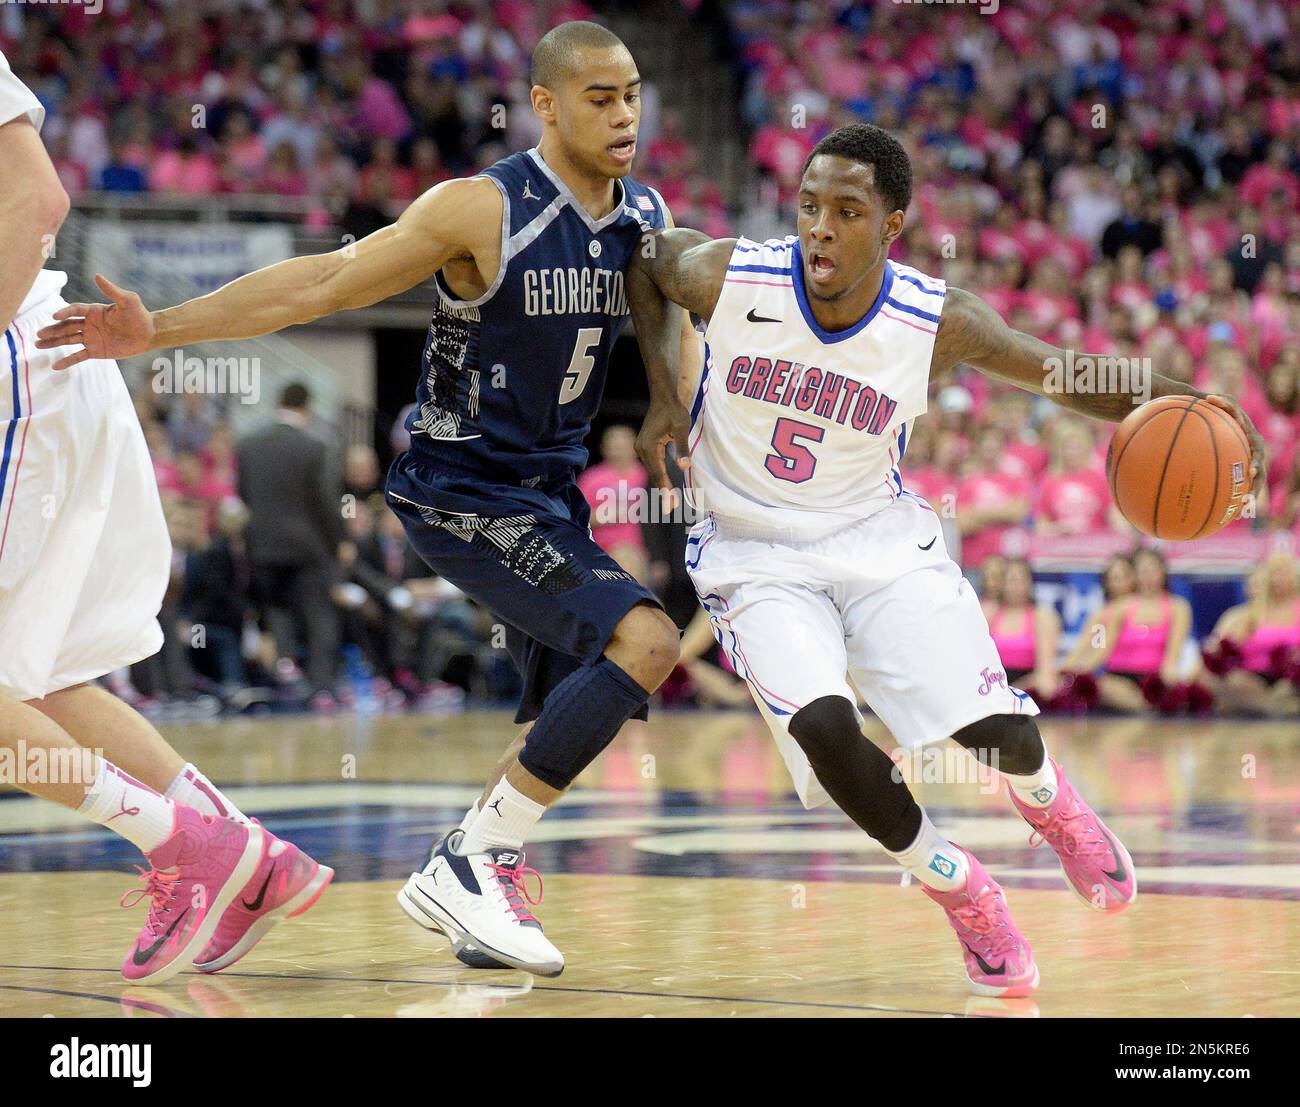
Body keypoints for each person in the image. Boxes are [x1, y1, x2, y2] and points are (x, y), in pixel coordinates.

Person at [37, 21, 699, 978]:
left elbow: (651, 292)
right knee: (645, 640)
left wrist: (671, 395)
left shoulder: (641, 207)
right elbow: (328, 281)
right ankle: (472, 862)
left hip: (548, 490)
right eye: (601, 97)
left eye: (634, 92)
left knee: (558, 709)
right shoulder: (481, 208)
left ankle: (462, 879)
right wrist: (161, 329)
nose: (626, 112)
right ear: (546, 105)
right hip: (461, 486)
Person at [627, 123, 1264, 996]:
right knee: (823, 728)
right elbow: (650, 261)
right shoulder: (732, 274)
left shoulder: (934, 319)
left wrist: (1194, 402)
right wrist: (666, 395)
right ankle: (959, 887)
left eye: (847, 212)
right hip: (754, 553)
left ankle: (1048, 800)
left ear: (891, 225)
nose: (819, 227)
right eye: (810, 206)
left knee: (991, 732)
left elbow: (1061, 373)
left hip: (881, 542)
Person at [0, 49, 330, 984]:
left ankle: (190, 847)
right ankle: (245, 861)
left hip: (16, 369)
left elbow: (38, 198)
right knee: (50, 675)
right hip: (40, 376)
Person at [237, 382, 344, 708]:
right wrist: (337, 542)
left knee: (276, 611)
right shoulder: (314, 447)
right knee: (319, 616)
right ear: (307, 407)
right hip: (305, 546)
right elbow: (324, 503)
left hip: (262, 544)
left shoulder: (249, 444)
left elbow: (244, 495)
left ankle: (285, 672)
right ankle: (322, 688)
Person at [1070, 548, 1195, 713]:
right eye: (1142, 570)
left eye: (1153, 569)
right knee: (1106, 687)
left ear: (1163, 572)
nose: (1148, 576)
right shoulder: (1111, 610)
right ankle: (1144, 706)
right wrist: (1076, 673)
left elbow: (1174, 652)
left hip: (1156, 678)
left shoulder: (1178, 607)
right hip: (1119, 678)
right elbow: (1099, 647)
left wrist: (1168, 675)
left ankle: (1150, 704)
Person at [1198, 553, 1300, 717]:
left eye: (1284, 572)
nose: (1279, 579)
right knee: (1221, 680)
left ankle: (1271, 704)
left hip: (1291, 677)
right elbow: (1223, 644)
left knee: (1286, 688)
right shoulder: (1249, 612)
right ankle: (1273, 706)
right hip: (1253, 677)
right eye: (1275, 573)